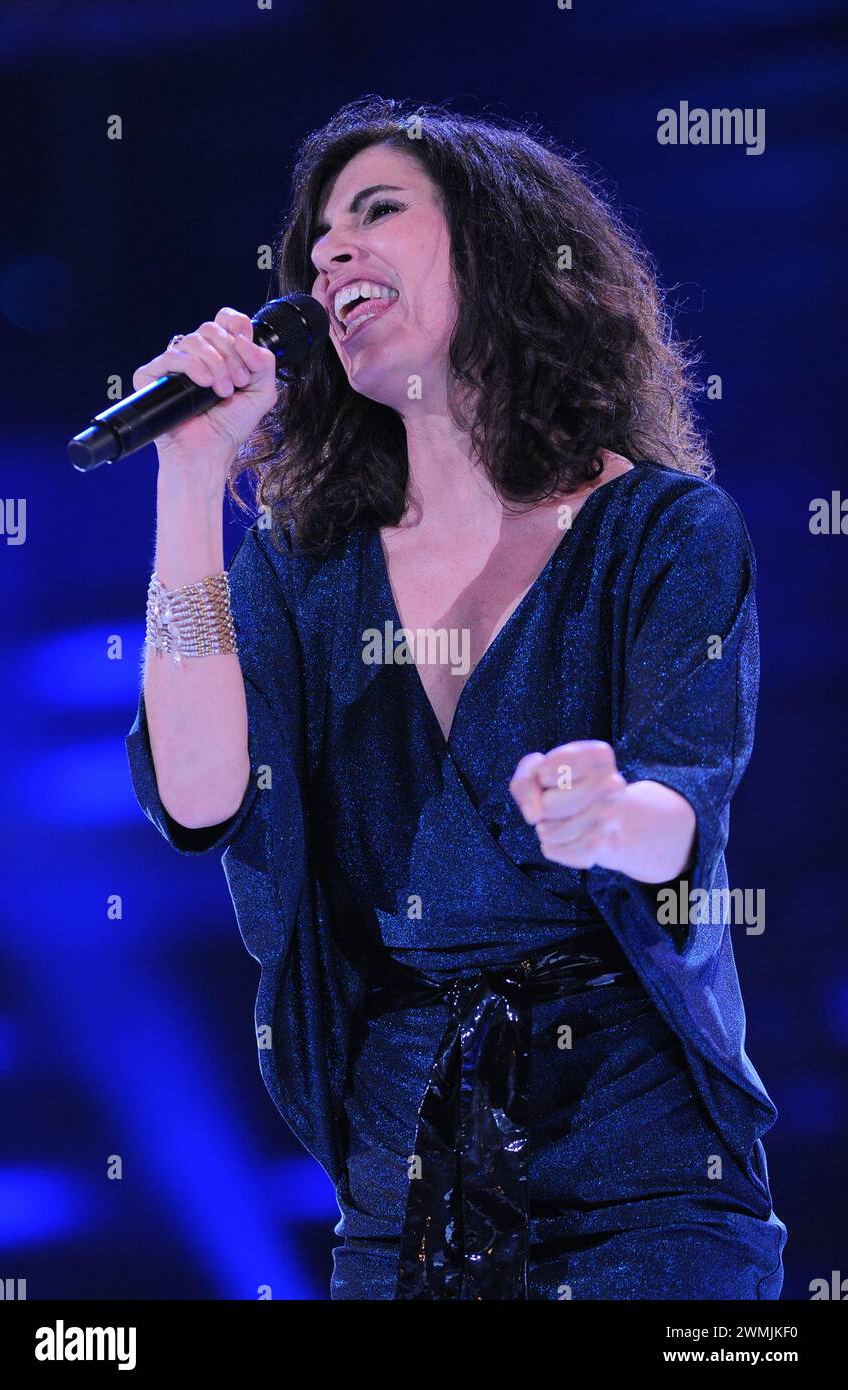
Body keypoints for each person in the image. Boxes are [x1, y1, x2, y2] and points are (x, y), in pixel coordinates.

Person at [126, 96, 787, 1300]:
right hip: (404, 1179)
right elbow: (200, 791)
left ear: (496, 249)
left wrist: (608, 813)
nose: (328, 251)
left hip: (645, 1182)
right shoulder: (305, 563)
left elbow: (680, 811)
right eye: (318, 235)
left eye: (376, 212)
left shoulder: (660, 532)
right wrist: (190, 479)